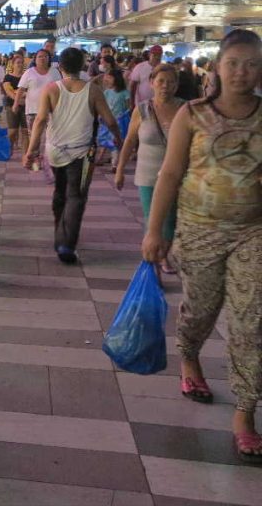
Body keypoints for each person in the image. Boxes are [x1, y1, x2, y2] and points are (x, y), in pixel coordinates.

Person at [140, 29, 262, 463]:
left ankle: (245, 413)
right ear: (217, 68)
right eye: (234, 63)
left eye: (251, 63)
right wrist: (155, 231)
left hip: (253, 232)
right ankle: (189, 355)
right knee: (202, 308)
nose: (242, 72)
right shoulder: (192, 115)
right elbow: (169, 175)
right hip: (200, 228)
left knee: (251, 322)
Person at [23, 47, 121, 264]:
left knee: (60, 191)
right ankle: (66, 243)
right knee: (76, 196)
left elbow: (39, 121)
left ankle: (60, 231)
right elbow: (110, 120)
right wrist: (117, 138)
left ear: (60, 67)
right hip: (82, 153)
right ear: (82, 65)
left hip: (55, 150)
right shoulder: (92, 90)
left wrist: (31, 151)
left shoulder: (51, 89)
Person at [115, 63, 183, 274]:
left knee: (171, 218)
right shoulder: (142, 109)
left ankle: (166, 254)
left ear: (177, 85)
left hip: (177, 175)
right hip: (147, 174)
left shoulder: (185, 109)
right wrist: (120, 169)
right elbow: (129, 140)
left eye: (171, 82)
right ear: (151, 83)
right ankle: (155, 261)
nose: (165, 86)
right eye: (161, 81)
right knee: (151, 218)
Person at [14, 49, 61, 169]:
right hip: (32, 110)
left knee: (49, 136)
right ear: (35, 59)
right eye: (40, 56)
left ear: (49, 59)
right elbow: (21, 89)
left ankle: (47, 159)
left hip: (51, 110)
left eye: (45, 56)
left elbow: (60, 89)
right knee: (34, 137)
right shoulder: (29, 72)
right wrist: (16, 103)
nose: (42, 58)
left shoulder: (54, 72)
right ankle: (35, 159)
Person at [96, 69, 130, 168]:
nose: (107, 79)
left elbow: (129, 107)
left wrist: (123, 116)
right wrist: (101, 116)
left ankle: (114, 164)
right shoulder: (107, 92)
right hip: (108, 121)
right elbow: (103, 106)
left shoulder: (124, 92)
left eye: (110, 77)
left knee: (115, 142)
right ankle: (102, 158)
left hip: (120, 122)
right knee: (105, 140)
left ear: (117, 79)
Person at [1, 53, 28, 156]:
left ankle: (26, 154)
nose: (20, 65)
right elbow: (8, 91)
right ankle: (9, 149)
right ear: (12, 64)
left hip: (26, 106)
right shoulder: (8, 77)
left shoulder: (27, 77)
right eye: (17, 63)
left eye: (21, 63)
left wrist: (18, 92)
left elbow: (29, 91)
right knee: (12, 132)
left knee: (26, 132)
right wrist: (19, 98)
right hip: (11, 106)